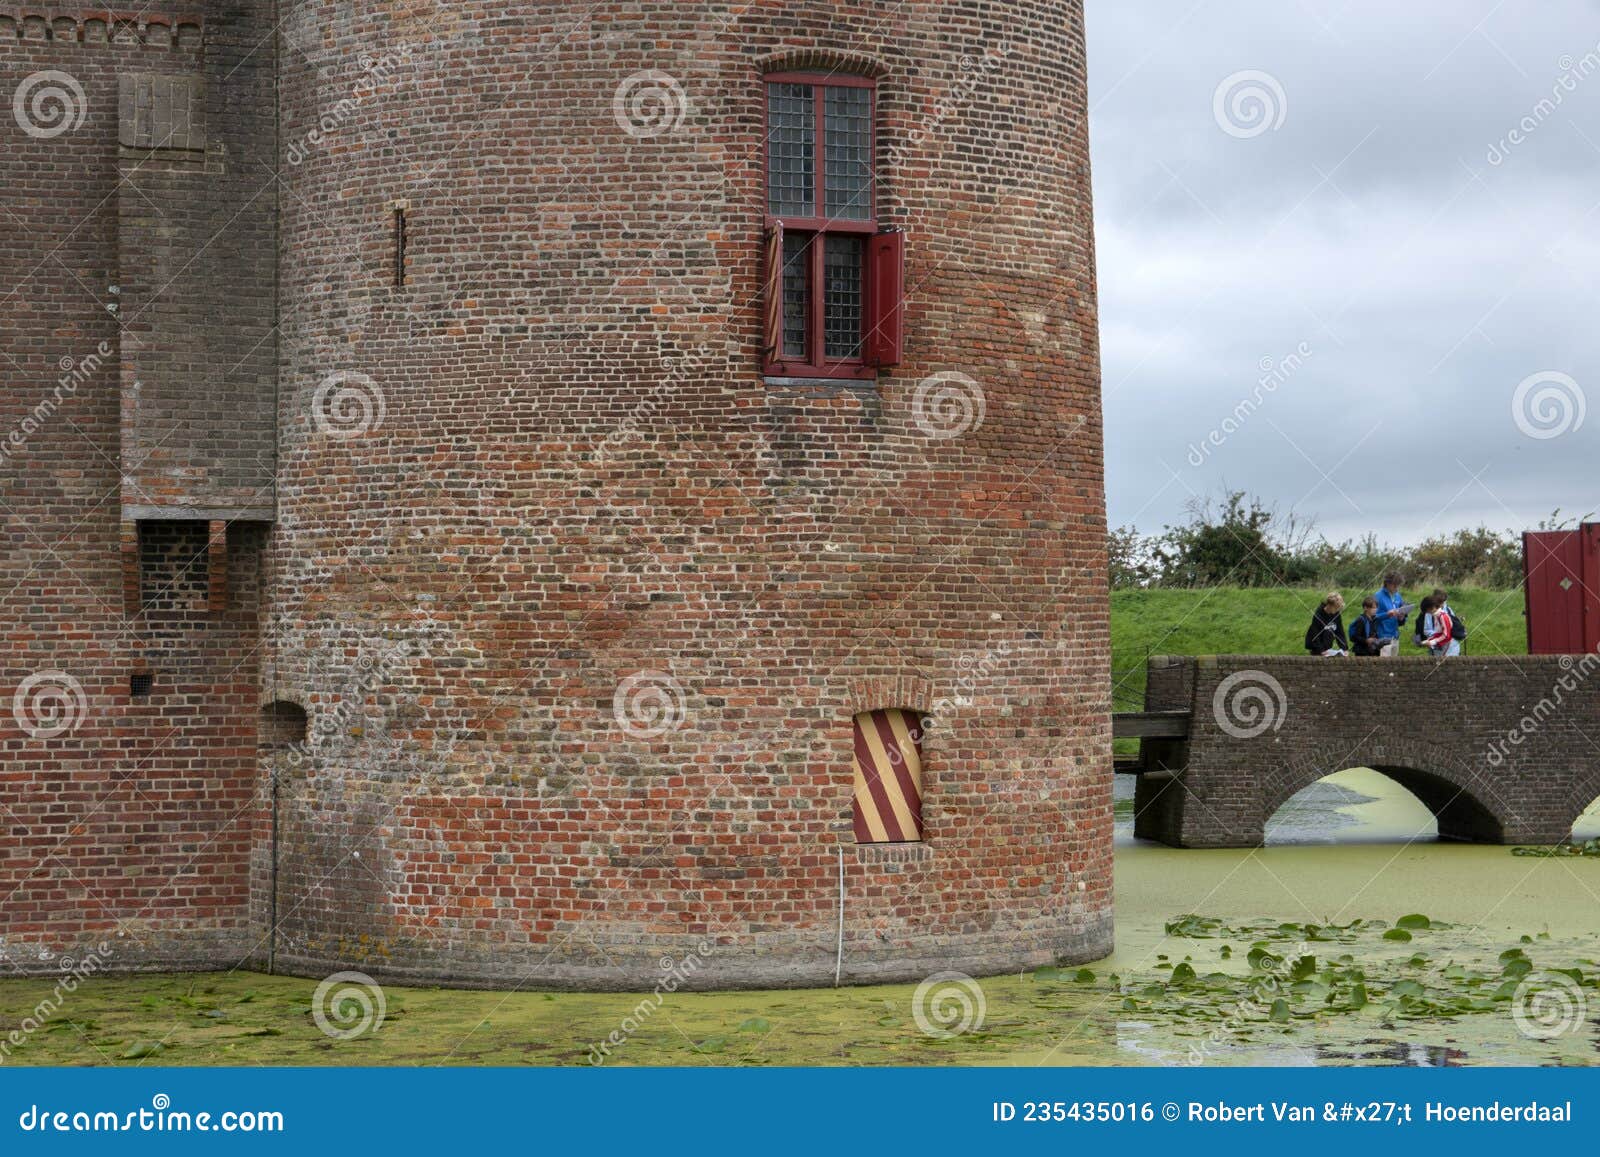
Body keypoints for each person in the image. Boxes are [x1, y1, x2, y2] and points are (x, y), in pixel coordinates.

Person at [1374, 572, 1408, 658]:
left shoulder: (1397, 596)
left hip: (1395, 636)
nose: (1397, 588)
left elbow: (1401, 611)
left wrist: (1402, 617)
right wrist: (1387, 614)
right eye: (1395, 585)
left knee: (1394, 665)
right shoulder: (1377, 596)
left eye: (1398, 585)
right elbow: (1372, 617)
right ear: (1387, 583)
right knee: (1384, 666)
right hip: (1383, 637)